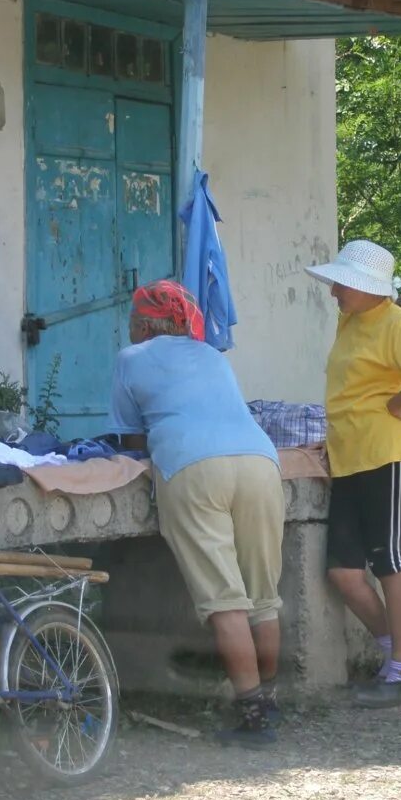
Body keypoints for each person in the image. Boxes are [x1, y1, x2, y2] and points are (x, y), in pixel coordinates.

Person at [108, 280, 286, 746]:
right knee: (263, 596)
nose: (129, 328)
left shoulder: (131, 360)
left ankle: (252, 719)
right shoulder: (212, 355)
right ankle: (271, 701)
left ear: (146, 324)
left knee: (224, 599)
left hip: (193, 466)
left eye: (132, 320)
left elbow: (132, 441)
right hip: (260, 462)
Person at [305, 240, 401, 708]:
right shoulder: (351, 319)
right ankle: (393, 657)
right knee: (343, 572)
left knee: (388, 560)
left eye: (342, 284)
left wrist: (396, 405)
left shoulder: (395, 324)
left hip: (388, 457)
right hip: (351, 459)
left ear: (369, 288)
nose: (334, 293)